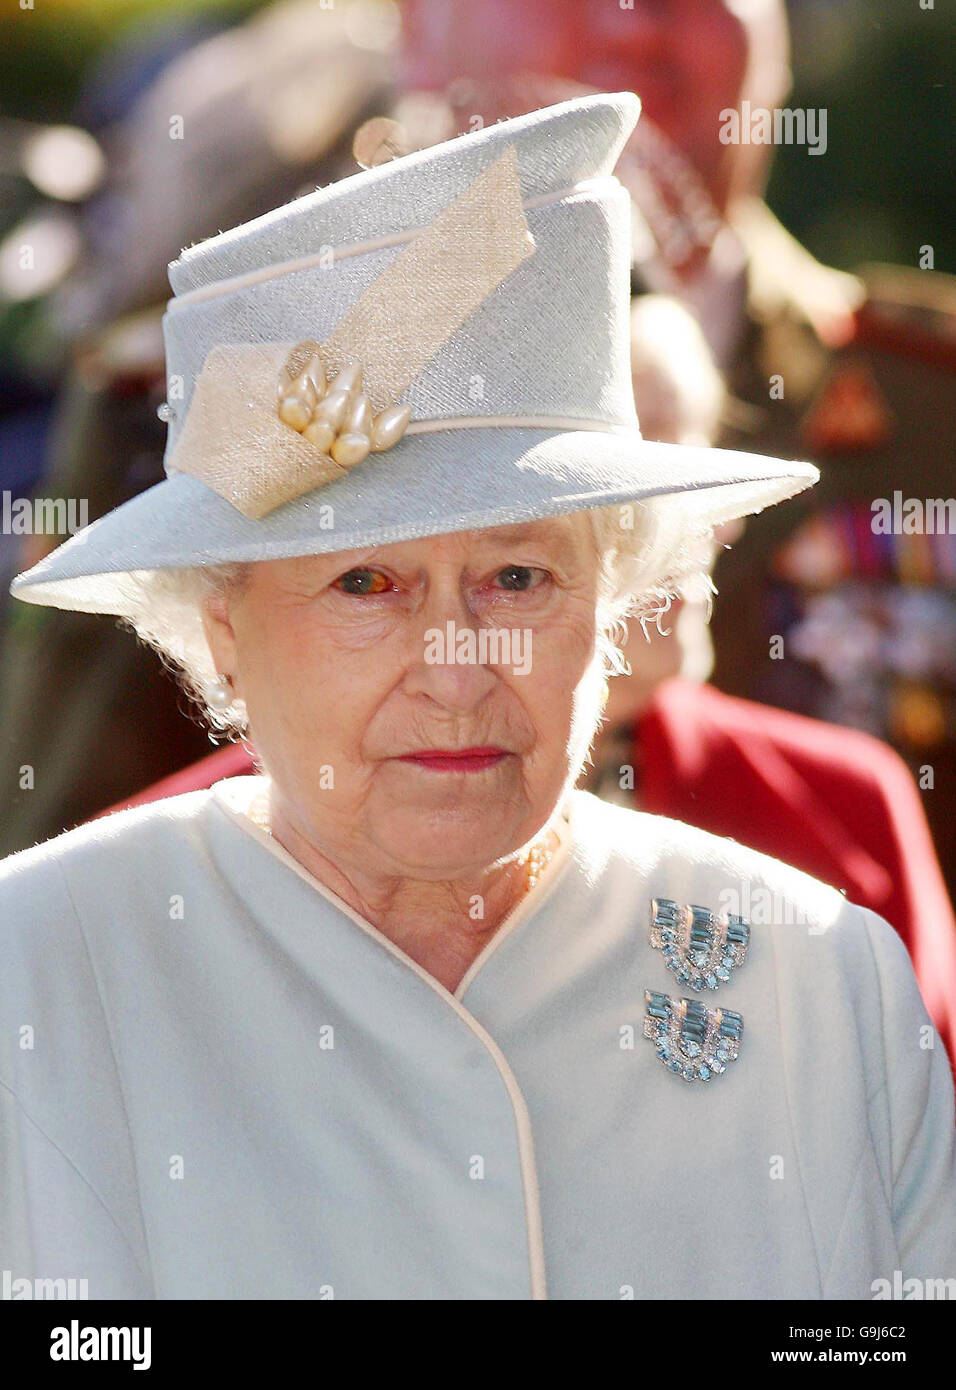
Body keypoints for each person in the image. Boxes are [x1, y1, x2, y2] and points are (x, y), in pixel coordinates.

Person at [1, 94, 953, 1300]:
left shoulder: (820, 983)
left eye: (516, 576)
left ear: (612, 603)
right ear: (223, 636)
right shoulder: (36, 976)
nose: (455, 669)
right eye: (365, 582)